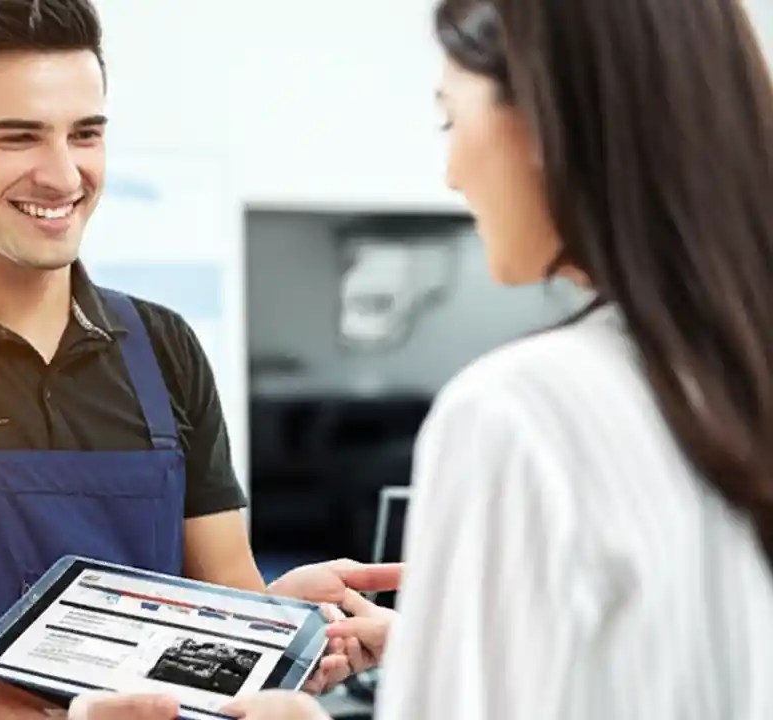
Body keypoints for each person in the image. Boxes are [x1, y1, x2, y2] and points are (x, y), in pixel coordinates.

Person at [72, 0, 773, 717]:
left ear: (543, 121)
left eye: (450, 120)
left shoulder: (519, 411)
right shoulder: (733, 386)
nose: (451, 173)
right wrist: (432, 646)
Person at [0, 2, 391, 719]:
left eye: (84, 134)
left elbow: (222, 601)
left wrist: (284, 632)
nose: (62, 175)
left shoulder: (165, 347)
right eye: (19, 137)